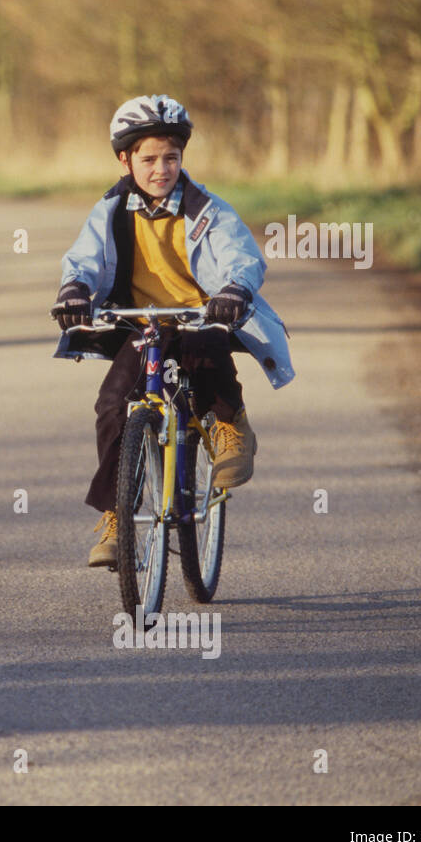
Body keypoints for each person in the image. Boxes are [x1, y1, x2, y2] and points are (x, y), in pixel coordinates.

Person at [50, 94, 294, 568]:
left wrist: (234, 290)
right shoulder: (111, 209)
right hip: (142, 325)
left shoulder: (206, 208)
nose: (161, 169)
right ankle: (117, 516)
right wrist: (75, 289)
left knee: (206, 351)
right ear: (125, 160)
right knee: (113, 405)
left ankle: (230, 425)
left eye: (171, 158)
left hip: (200, 315)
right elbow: (83, 258)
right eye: (148, 160)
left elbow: (240, 256)